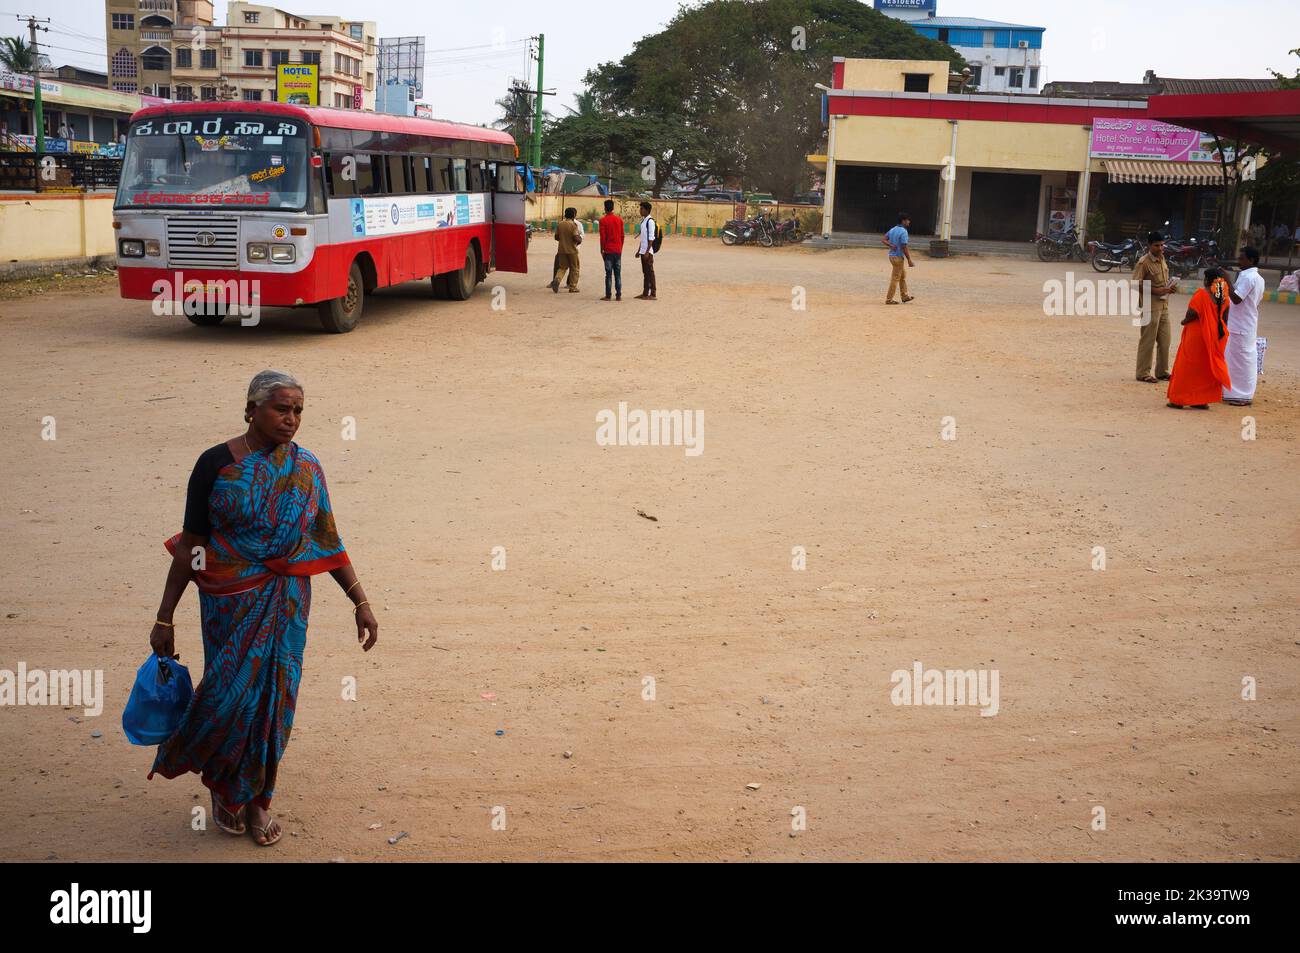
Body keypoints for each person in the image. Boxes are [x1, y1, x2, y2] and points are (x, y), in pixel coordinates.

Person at [147, 370, 378, 847]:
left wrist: (361, 601)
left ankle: (257, 800)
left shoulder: (308, 468)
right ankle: (224, 785)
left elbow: (326, 539)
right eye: (280, 408)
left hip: (288, 603)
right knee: (228, 698)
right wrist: (165, 615)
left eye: (297, 410)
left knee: (276, 701)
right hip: (230, 603)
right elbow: (192, 545)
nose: (290, 419)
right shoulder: (215, 464)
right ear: (251, 409)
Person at [1166, 268, 1231, 409]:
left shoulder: (1202, 294)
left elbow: (1192, 313)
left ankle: (1178, 399)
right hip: (1216, 336)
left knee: (1186, 366)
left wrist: (1184, 321)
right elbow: (1225, 319)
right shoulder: (1224, 297)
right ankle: (1201, 400)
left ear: (1207, 280)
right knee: (1205, 367)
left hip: (1197, 335)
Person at [1223, 246, 1266, 406]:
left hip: (1241, 326)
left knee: (1242, 360)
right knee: (1238, 360)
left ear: (1251, 260)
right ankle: (1235, 392)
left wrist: (1227, 279)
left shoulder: (1250, 278)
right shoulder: (1256, 278)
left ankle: (1242, 394)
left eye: (1242, 258)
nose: (1238, 261)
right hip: (1244, 323)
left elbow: (1236, 299)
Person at [1132, 231, 1177, 383]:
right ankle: (1143, 373)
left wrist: (1169, 288)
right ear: (1149, 245)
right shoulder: (1143, 262)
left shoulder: (1162, 259)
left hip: (1164, 306)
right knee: (1148, 341)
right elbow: (1135, 284)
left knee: (1166, 340)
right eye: (1157, 245)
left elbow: (1162, 283)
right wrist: (1158, 290)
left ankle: (1162, 372)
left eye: (1162, 244)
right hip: (1149, 307)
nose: (1160, 248)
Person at [548, 207, 583, 293]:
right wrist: (580, 240)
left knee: (562, 267)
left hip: (561, 250)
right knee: (575, 268)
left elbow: (556, 237)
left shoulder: (560, 224)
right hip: (572, 250)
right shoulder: (573, 225)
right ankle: (573, 287)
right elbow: (575, 237)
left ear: (565, 214)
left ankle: (557, 280)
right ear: (574, 215)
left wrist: (563, 239)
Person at [882, 213, 914, 305]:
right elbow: (904, 246)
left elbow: (884, 239)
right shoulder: (904, 231)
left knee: (902, 276)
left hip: (892, 256)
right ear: (903, 221)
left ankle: (904, 296)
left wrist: (891, 245)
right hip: (898, 257)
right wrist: (909, 260)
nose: (909, 222)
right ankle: (889, 299)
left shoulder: (893, 229)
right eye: (907, 220)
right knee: (895, 278)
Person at [598, 198, 624, 301]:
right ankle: (618, 295)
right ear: (613, 208)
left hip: (608, 250)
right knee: (617, 274)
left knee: (608, 274)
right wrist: (620, 248)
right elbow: (622, 236)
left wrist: (602, 249)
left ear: (605, 208)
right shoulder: (619, 220)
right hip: (617, 250)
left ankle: (608, 295)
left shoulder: (603, 220)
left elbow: (602, 237)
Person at [635, 201, 657, 300]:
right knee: (646, 272)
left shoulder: (650, 222)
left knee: (650, 272)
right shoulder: (643, 221)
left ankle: (653, 293)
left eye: (642, 209)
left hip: (648, 252)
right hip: (643, 251)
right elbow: (643, 238)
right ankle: (645, 292)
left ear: (647, 210)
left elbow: (651, 238)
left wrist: (647, 251)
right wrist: (639, 250)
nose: (640, 210)